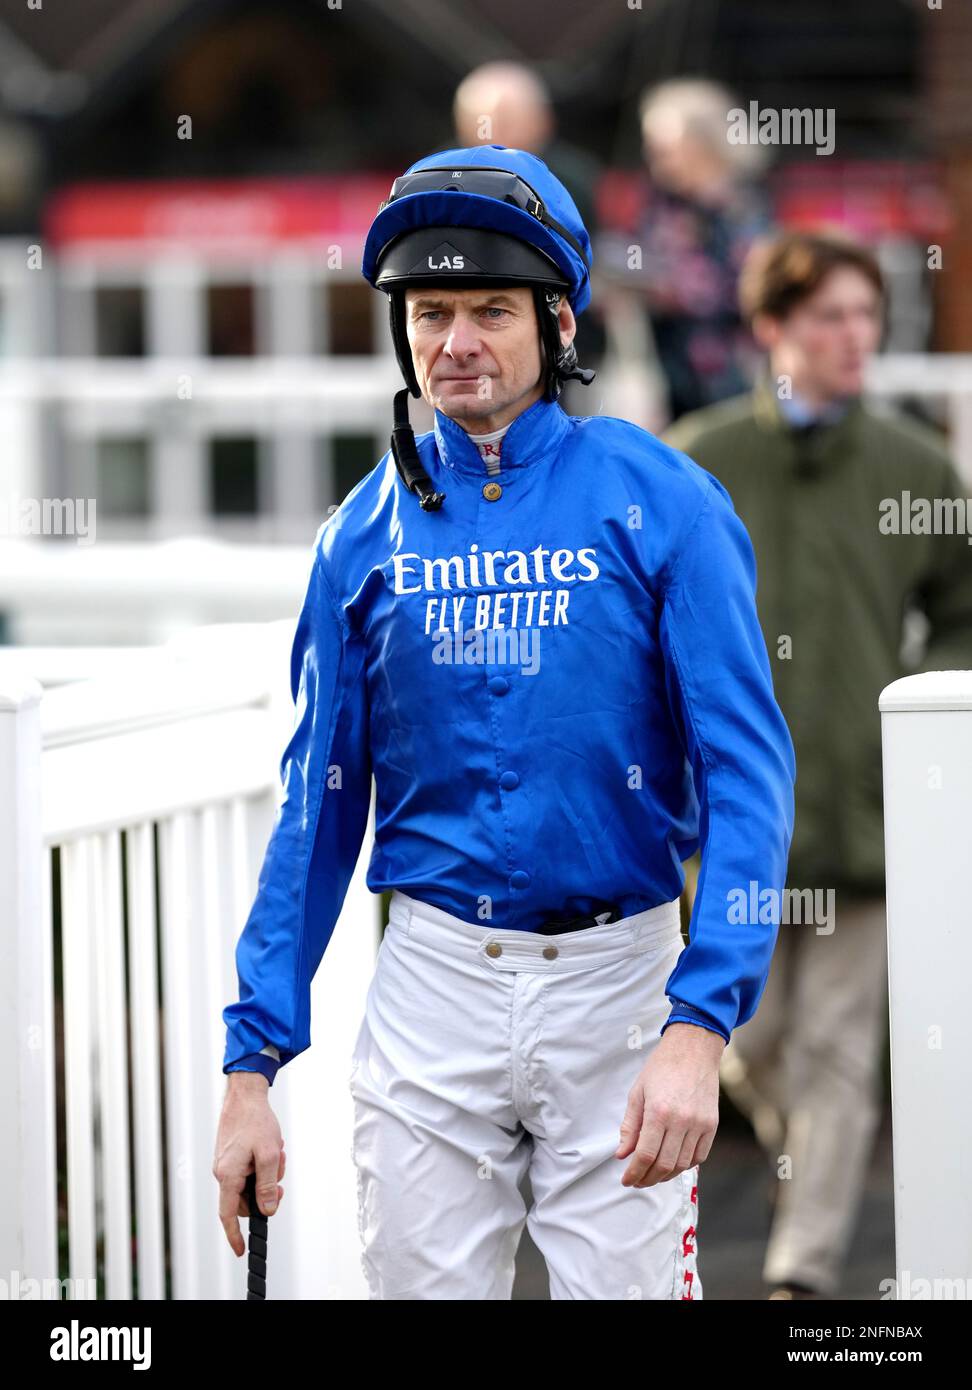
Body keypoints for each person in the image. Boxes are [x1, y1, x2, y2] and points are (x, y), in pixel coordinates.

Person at [213, 143, 796, 1300]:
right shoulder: (356, 538)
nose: (457, 342)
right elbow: (315, 811)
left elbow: (749, 774)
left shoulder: (662, 496)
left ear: (560, 325)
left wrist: (701, 1024)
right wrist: (251, 1063)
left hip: (622, 983)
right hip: (430, 984)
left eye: (490, 308)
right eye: (431, 311)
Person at [662, 229, 972, 1299]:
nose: (856, 339)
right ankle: (818, 1171)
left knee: (839, 1054)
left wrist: (925, 723)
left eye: (868, 317)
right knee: (751, 1041)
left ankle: (799, 1273)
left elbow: (967, 609)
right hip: (731, 827)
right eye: (830, 317)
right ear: (769, 330)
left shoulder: (915, 466)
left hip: (866, 821)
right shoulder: (697, 461)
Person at [597, 79, 772, 422]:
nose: (654, 158)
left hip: (729, 382)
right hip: (668, 374)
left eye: (664, 147)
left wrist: (672, 291)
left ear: (703, 145)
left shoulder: (742, 209)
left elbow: (750, 291)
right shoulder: (663, 204)